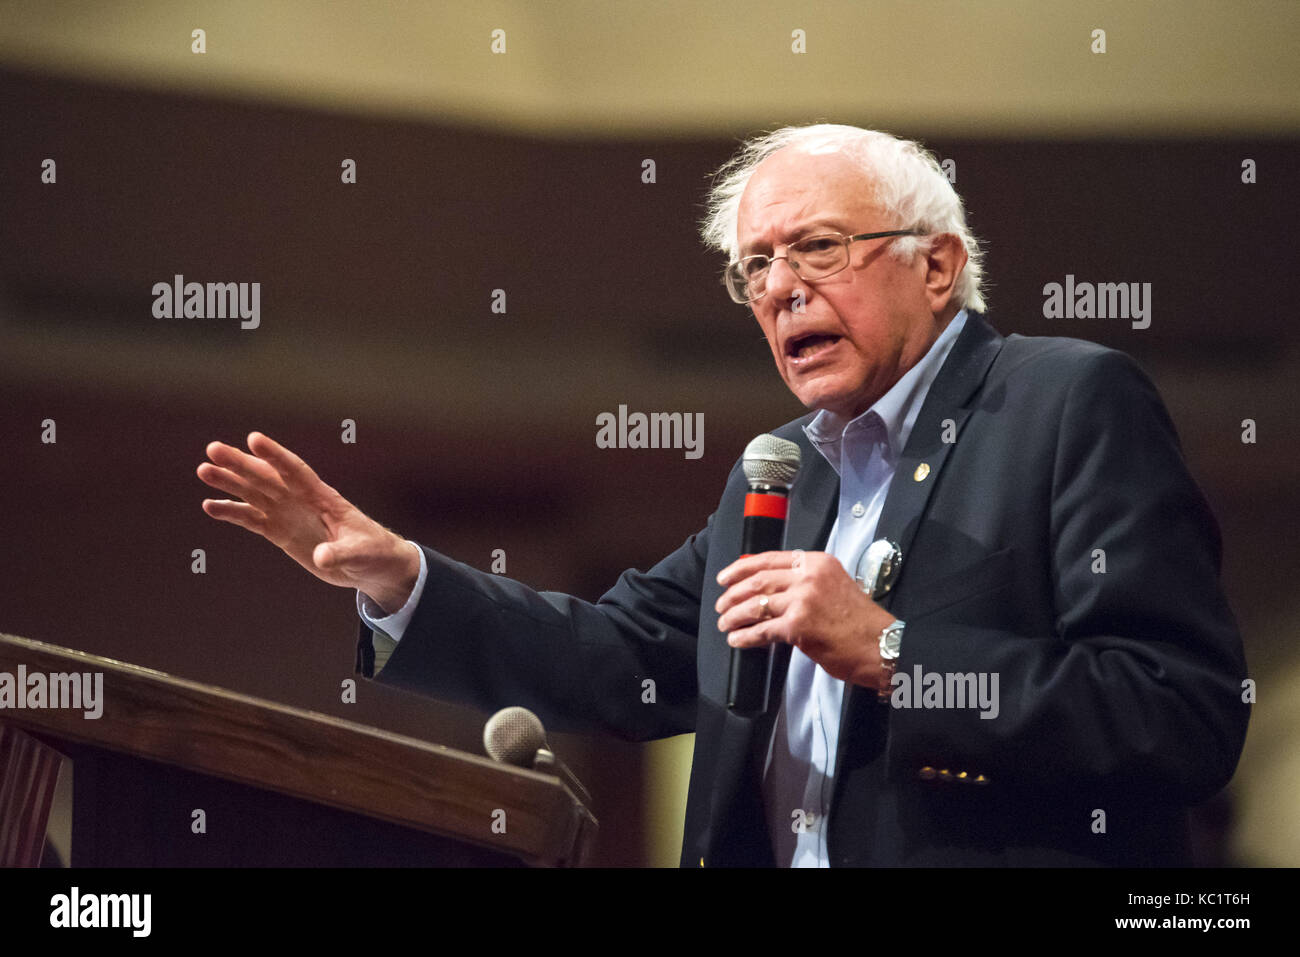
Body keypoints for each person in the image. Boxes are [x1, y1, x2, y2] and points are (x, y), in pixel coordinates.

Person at [197, 124, 1249, 867]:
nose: (782, 286)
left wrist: (892, 654)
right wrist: (405, 581)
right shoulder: (780, 472)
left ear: (938, 268)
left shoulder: (1064, 401)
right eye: (755, 267)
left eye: (819, 248)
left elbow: (1180, 717)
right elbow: (619, 660)